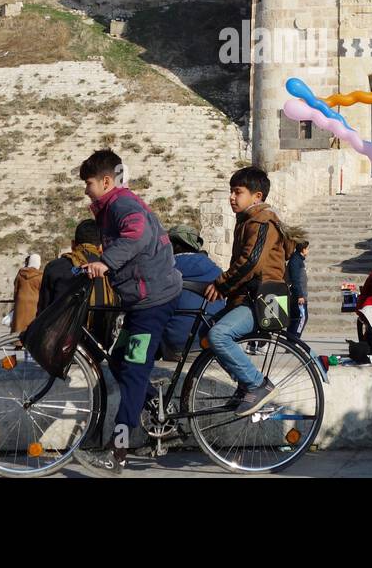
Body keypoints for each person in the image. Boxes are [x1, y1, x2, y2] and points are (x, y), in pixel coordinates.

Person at [73, 150, 182, 477]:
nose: (85, 190)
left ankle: (117, 454)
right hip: (141, 300)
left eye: (89, 183)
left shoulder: (121, 204)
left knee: (133, 370)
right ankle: (155, 404)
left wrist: (105, 263)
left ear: (106, 181)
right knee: (119, 360)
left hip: (153, 302)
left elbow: (138, 235)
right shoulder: (111, 207)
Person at [202, 167, 292, 418]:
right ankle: (244, 384)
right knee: (205, 336)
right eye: (231, 191)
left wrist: (221, 285)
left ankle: (256, 385)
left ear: (257, 196)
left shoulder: (262, 221)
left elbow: (252, 261)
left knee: (218, 335)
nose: (232, 197)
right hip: (247, 297)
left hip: (262, 299)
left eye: (238, 192)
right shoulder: (247, 222)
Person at [37, 219, 117, 348]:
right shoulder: (110, 269)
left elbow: (43, 310)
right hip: (99, 346)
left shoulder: (55, 267)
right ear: (101, 247)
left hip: (60, 347)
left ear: (73, 244)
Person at [161, 224, 224, 359]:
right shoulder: (217, 272)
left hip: (176, 346)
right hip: (210, 345)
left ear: (176, 246)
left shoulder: (162, 270)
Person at [282, 224, 310, 342]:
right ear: (303, 249)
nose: (308, 251)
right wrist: (299, 295)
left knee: (294, 318)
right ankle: (294, 340)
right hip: (297, 296)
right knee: (302, 317)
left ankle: (291, 341)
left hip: (297, 295)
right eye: (307, 248)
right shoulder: (295, 261)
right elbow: (295, 280)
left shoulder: (298, 260)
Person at [11, 253, 43, 336]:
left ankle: (17, 341)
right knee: (31, 322)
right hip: (34, 301)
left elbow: (16, 285)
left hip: (21, 300)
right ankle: (29, 340)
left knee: (19, 321)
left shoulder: (21, 272)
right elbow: (42, 289)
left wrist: (15, 298)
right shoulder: (40, 275)